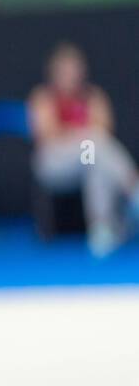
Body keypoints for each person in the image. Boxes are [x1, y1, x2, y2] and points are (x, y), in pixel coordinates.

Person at [28, 43, 139, 256]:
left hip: (87, 158)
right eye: (65, 70)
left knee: (95, 160)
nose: (71, 75)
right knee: (93, 143)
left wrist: (76, 133)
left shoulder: (94, 97)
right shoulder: (43, 98)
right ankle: (133, 189)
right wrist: (82, 133)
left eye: (75, 70)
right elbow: (47, 135)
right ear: (55, 73)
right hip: (54, 163)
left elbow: (105, 130)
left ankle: (102, 228)